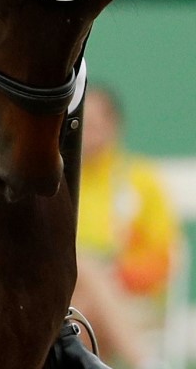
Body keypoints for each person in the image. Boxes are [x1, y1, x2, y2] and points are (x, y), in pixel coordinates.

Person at [70, 85, 182, 368]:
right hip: (67, 293)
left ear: (114, 126)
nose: (88, 133)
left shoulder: (141, 180)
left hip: (128, 296)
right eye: (82, 122)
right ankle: (145, 362)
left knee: (84, 301)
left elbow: (163, 256)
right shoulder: (58, 182)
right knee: (82, 275)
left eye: (96, 124)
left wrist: (117, 275)